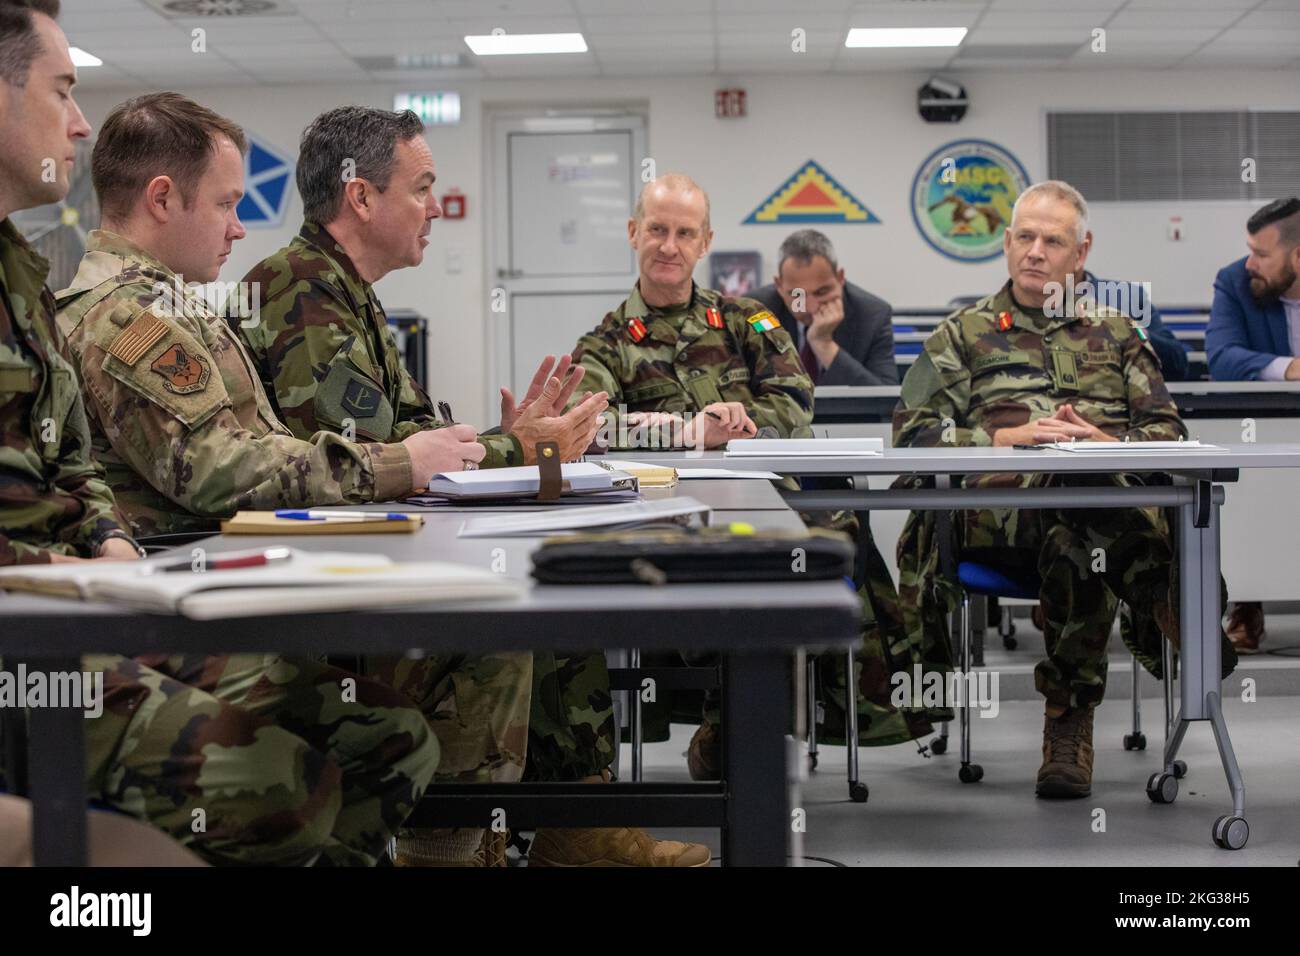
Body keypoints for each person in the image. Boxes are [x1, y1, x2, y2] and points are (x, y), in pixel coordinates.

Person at [0, 1, 438, 866]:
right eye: (63, 91)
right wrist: (395, 467)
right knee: (289, 783)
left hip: (107, 592)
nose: (80, 122)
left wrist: (107, 541)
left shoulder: (28, 277)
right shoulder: (124, 313)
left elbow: (70, 462)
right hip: (49, 625)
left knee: (387, 737)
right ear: (164, 199)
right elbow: (216, 469)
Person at [238, 106, 706, 867]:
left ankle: (575, 828)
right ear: (362, 197)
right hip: (331, 587)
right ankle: (450, 849)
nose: (435, 208)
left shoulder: (347, 291)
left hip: (373, 561)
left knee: (559, 598)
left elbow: (414, 442)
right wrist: (517, 449)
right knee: (509, 621)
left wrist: (511, 442)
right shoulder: (301, 292)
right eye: (422, 188)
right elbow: (367, 467)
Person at [892, 179, 1237, 798]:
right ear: (1006, 242)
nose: (1035, 251)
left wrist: (1108, 445)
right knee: (1075, 489)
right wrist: (1005, 438)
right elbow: (913, 433)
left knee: (1075, 534)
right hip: (996, 516)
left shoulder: (1119, 333)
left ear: (1081, 252)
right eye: (1025, 237)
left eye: (1052, 241)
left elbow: (1167, 432)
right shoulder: (961, 333)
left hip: (1090, 517)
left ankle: (1067, 723)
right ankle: (1166, 597)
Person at [1203, 196, 1300, 653]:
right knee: (1251, 489)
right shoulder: (1235, 282)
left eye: (1261, 253)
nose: (1250, 262)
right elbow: (1222, 358)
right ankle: (1246, 603)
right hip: (1263, 424)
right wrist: (1292, 368)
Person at [751, 228, 898, 386]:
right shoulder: (755, 312)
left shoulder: (871, 316)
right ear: (779, 286)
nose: (810, 307)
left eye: (822, 292)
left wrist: (824, 344)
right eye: (797, 295)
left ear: (840, 278)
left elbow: (884, 395)